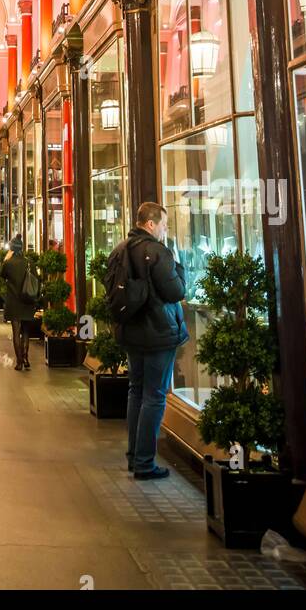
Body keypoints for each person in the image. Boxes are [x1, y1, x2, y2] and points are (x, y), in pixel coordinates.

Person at [115, 201, 188, 480]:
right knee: (154, 396)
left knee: (136, 391)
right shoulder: (157, 252)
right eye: (164, 225)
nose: (165, 230)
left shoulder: (121, 250)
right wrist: (177, 263)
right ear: (150, 224)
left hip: (132, 332)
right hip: (158, 333)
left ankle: (135, 456)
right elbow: (176, 291)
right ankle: (145, 462)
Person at [2, 235, 36, 370]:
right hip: (27, 300)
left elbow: (2, 275)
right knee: (26, 330)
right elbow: (36, 278)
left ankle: (19, 362)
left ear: (11, 249)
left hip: (14, 301)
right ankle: (26, 357)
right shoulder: (29, 263)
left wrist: (7, 258)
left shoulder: (8, 263)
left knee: (16, 331)